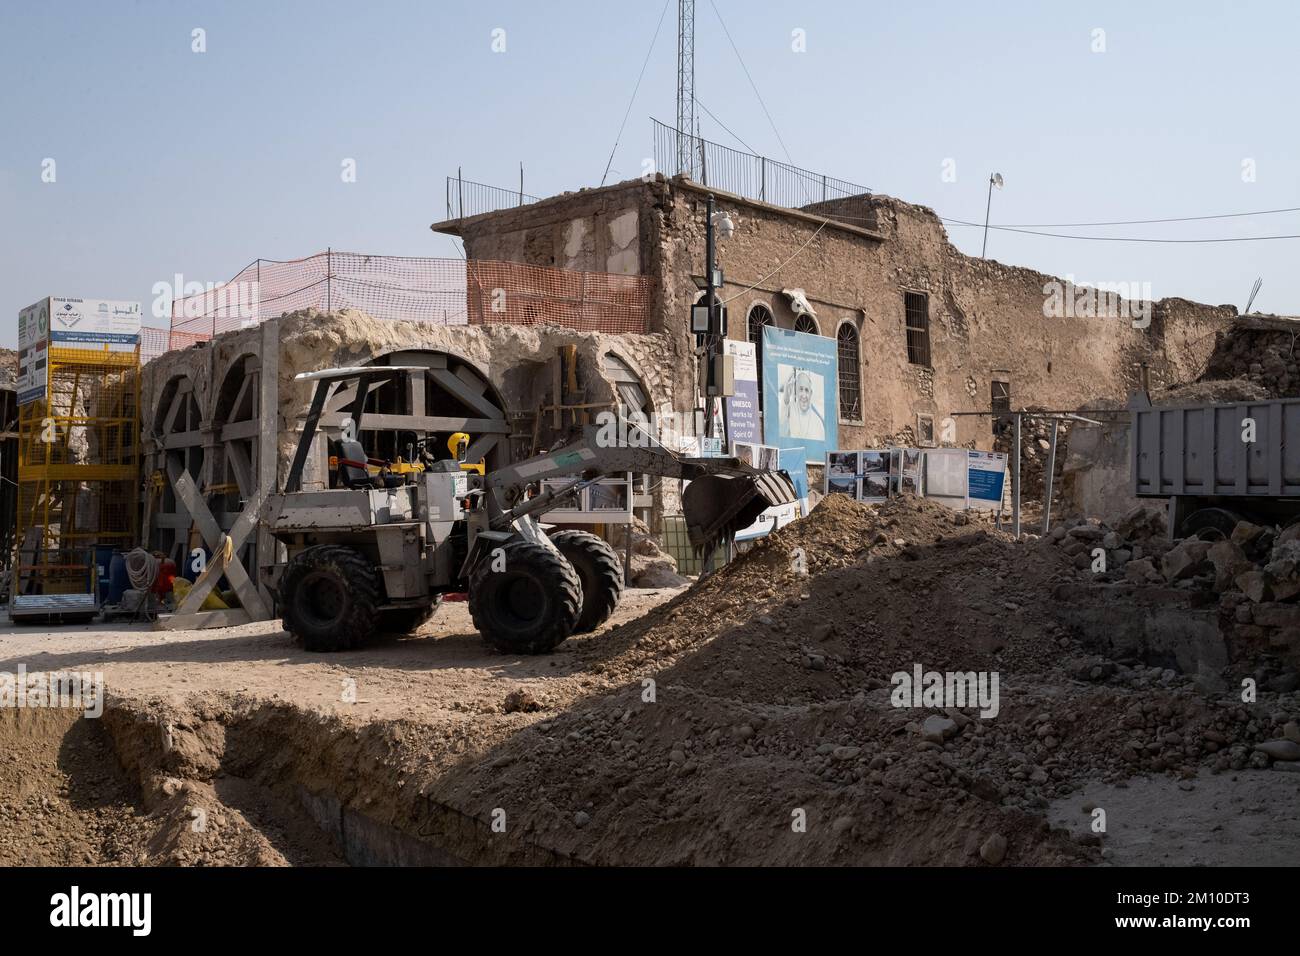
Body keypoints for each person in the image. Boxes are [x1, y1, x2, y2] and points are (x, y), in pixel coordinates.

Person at [783, 368, 825, 441]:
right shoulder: (792, 409)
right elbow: (782, 416)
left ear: (811, 393)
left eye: (806, 390)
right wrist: (786, 394)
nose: (804, 395)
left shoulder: (818, 422)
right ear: (796, 392)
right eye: (801, 389)